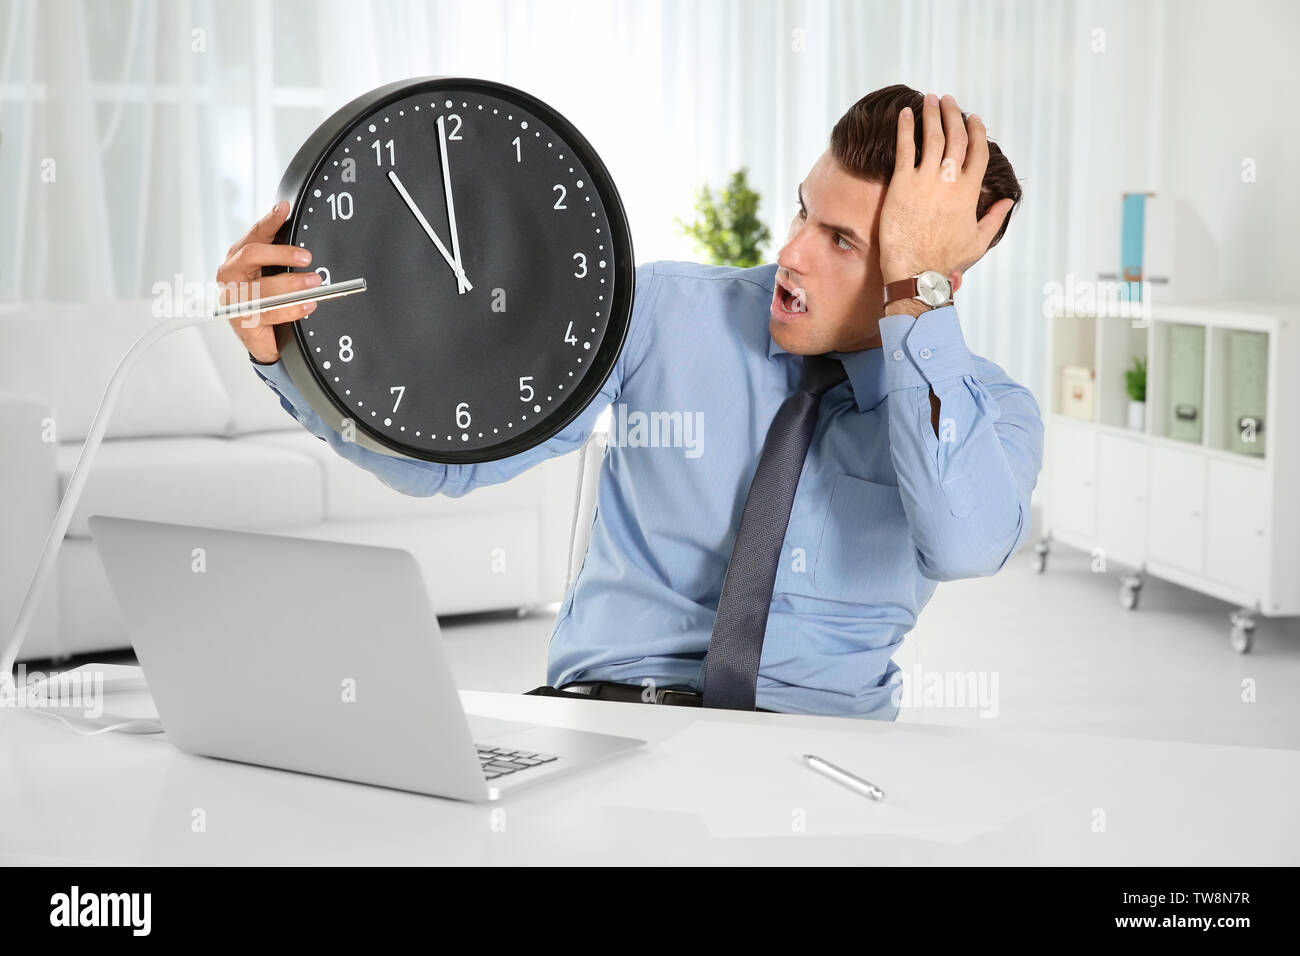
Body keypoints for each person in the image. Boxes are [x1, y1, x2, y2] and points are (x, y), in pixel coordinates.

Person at [215, 85, 1042, 719]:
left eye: (843, 241)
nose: (790, 252)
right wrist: (283, 355)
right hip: (609, 717)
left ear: (929, 273)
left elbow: (963, 542)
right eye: (804, 209)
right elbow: (450, 468)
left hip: (821, 756)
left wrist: (916, 299)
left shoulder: (986, 415)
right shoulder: (663, 312)